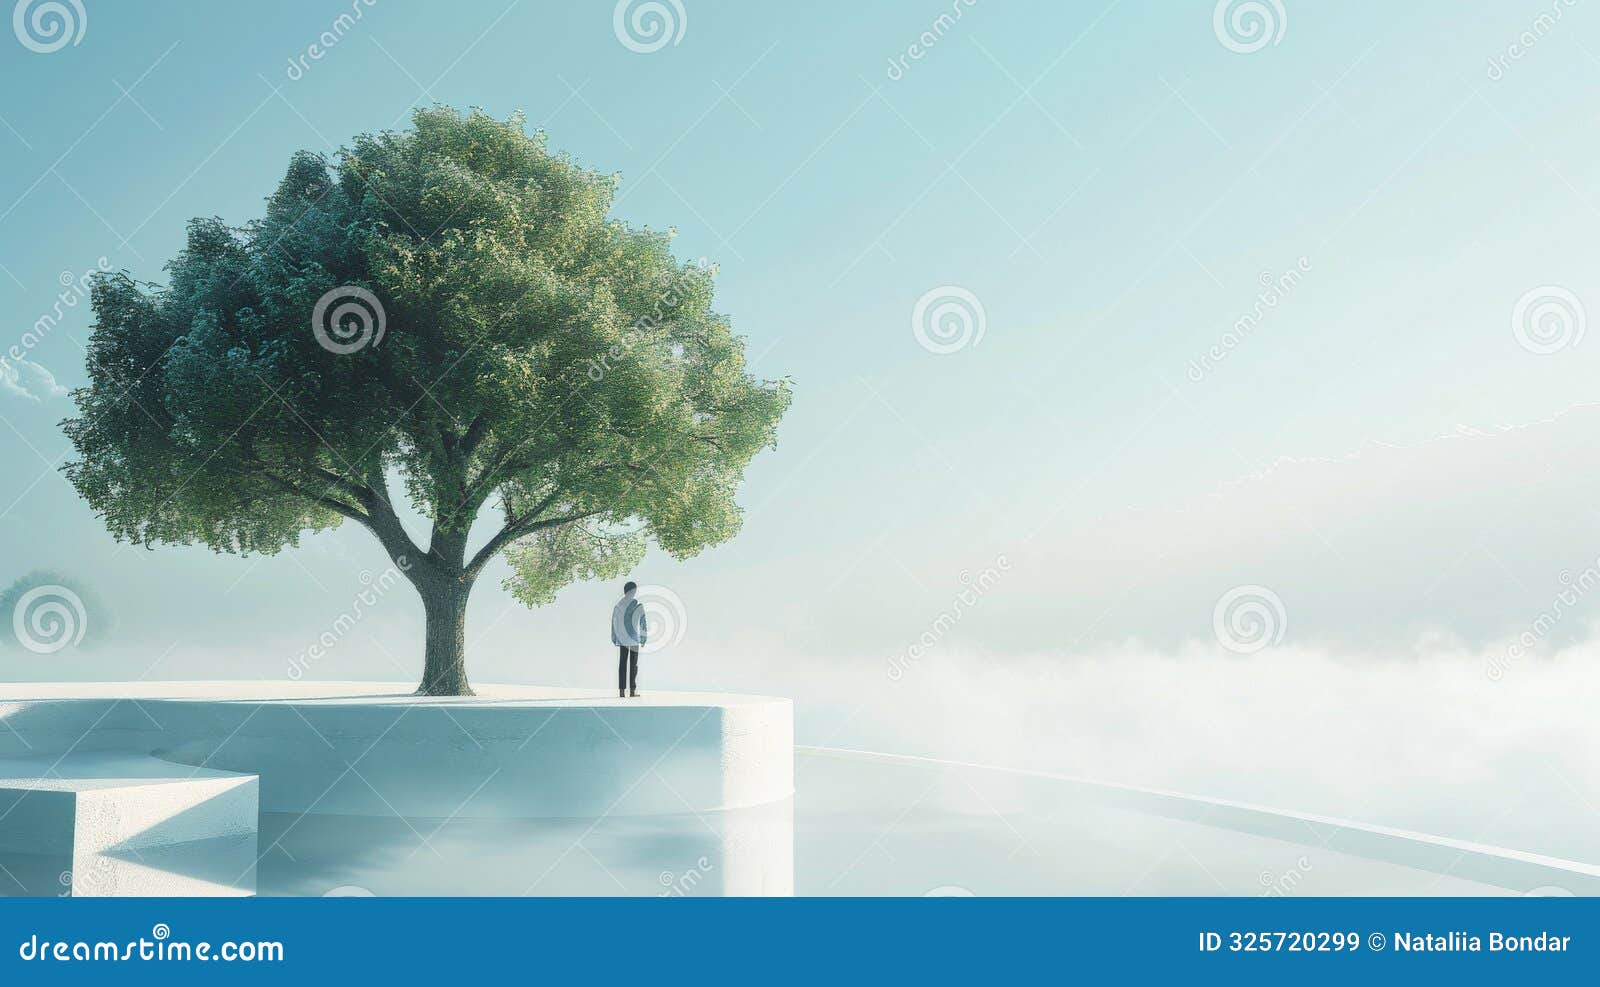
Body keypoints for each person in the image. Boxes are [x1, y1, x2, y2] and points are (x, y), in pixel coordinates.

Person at [611, 581, 647, 698]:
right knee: (633, 665)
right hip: (634, 638)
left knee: (622, 664)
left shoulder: (618, 605)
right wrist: (643, 637)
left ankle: (622, 691)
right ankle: (632, 690)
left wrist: (614, 637)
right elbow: (643, 622)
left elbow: (614, 623)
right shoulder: (638, 605)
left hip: (623, 639)